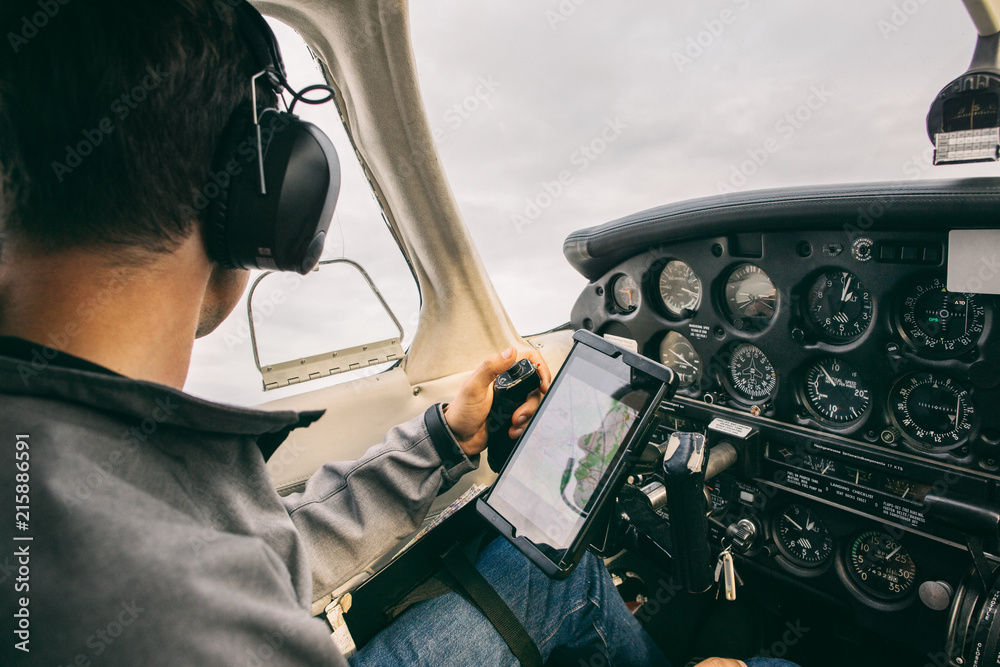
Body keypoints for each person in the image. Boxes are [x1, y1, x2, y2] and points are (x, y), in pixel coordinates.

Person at [0, 1, 799, 665]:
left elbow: (265, 553)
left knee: (558, 574)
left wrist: (443, 439)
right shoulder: (171, 620)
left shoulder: (73, 463)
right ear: (262, 206)